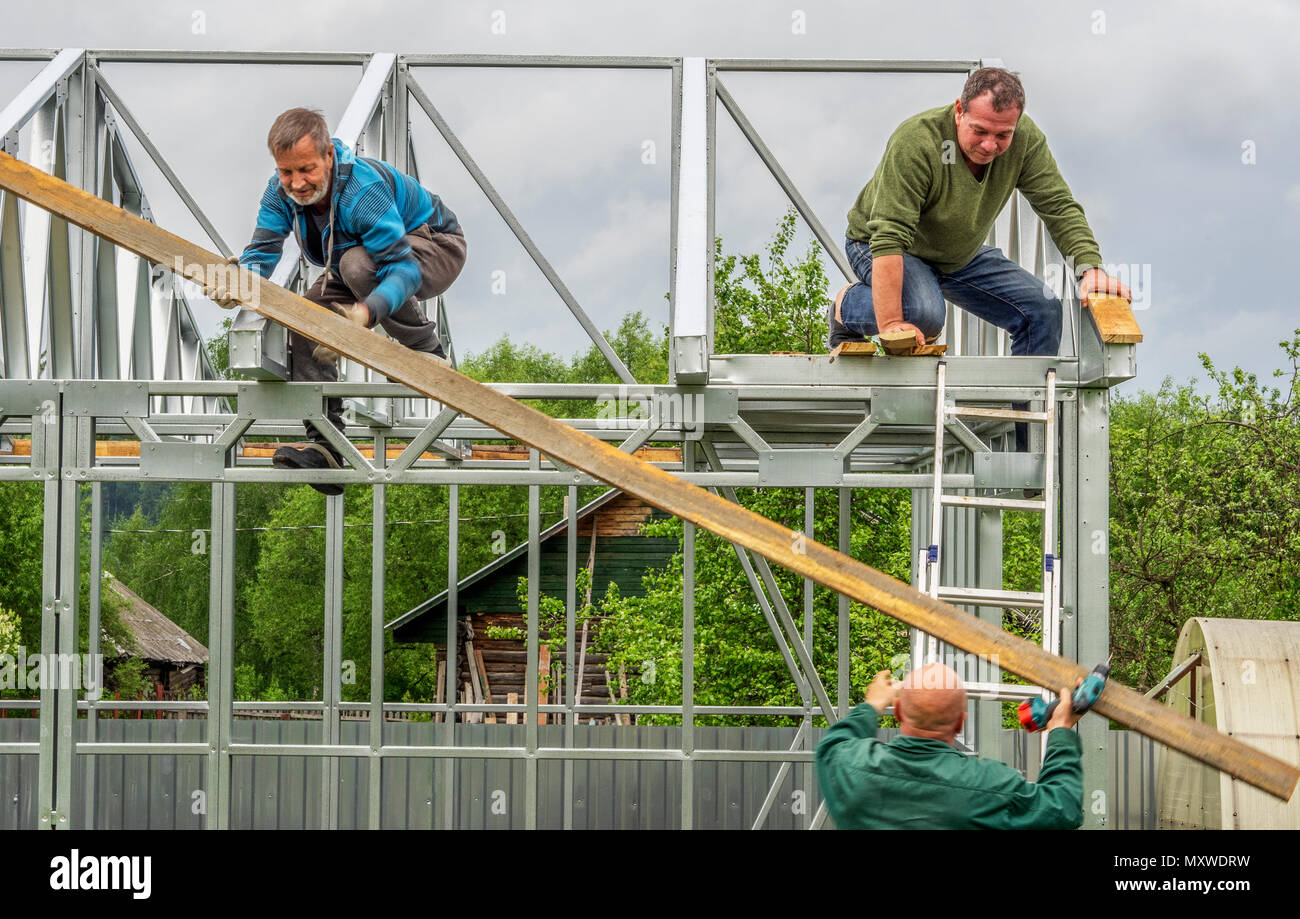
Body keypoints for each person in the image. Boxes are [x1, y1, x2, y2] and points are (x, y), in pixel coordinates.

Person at [830, 67, 1130, 449]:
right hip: (883, 245)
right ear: (959, 111)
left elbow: (1057, 205)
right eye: (980, 131)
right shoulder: (917, 140)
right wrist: (890, 323)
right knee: (923, 313)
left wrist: (1090, 268)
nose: (990, 145)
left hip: (958, 255)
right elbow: (888, 235)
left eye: (1003, 134)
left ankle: (1029, 445)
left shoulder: (1025, 142)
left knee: (1041, 309)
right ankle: (844, 307)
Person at [224, 107, 466, 494]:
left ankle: (426, 349)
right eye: (287, 172)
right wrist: (238, 283)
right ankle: (325, 442)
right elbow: (264, 248)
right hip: (355, 260)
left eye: (306, 170)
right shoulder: (278, 191)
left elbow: (401, 270)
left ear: (328, 156)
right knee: (305, 316)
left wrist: (365, 313)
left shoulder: (362, 190)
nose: (296, 183)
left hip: (432, 246)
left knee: (357, 265)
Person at [814, 663, 1084, 830]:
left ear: (897, 712)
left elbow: (833, 744)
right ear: (960, 724)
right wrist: (1060, 729)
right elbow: (1063, 807)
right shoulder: (990, 785)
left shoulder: (851, 767)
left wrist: (872, 705)